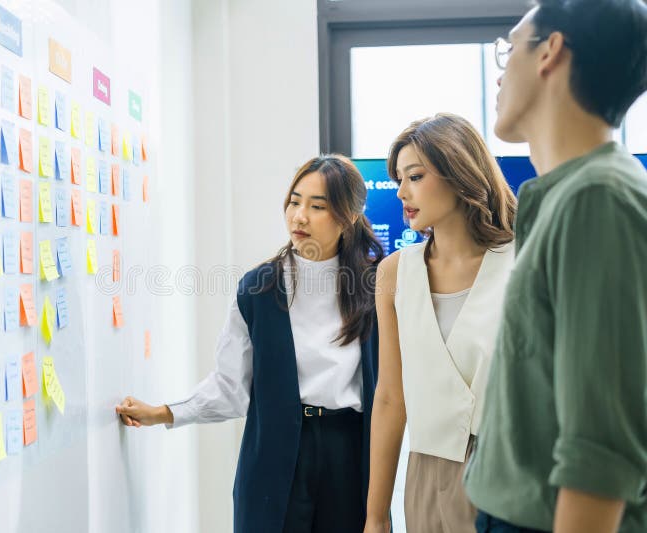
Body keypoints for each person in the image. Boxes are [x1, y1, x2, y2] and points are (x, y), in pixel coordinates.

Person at [115, 155, 384, 533]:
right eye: (294, 201)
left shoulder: (376, 288)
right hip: (275, 451)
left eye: (317, 206)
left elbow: (392, 391)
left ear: (348, 216)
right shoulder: (259, 288)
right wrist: (164, 412)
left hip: (350, 452)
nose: (299, 216)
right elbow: (231, 386)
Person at [462, 1, 647, 532]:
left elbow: (600, 451)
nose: (500, 71)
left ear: (551, 52)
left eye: (508, 48)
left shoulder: (599, 201)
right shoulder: (564, 198)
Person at [364, 113, 517, 533]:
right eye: (398, 179)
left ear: (458, 172)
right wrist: (376, 516)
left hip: (514, 473)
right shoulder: (395, 273)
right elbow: (390, 398)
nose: (401, 192)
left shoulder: (524, 258)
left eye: (414, 176)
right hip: (427, 476)